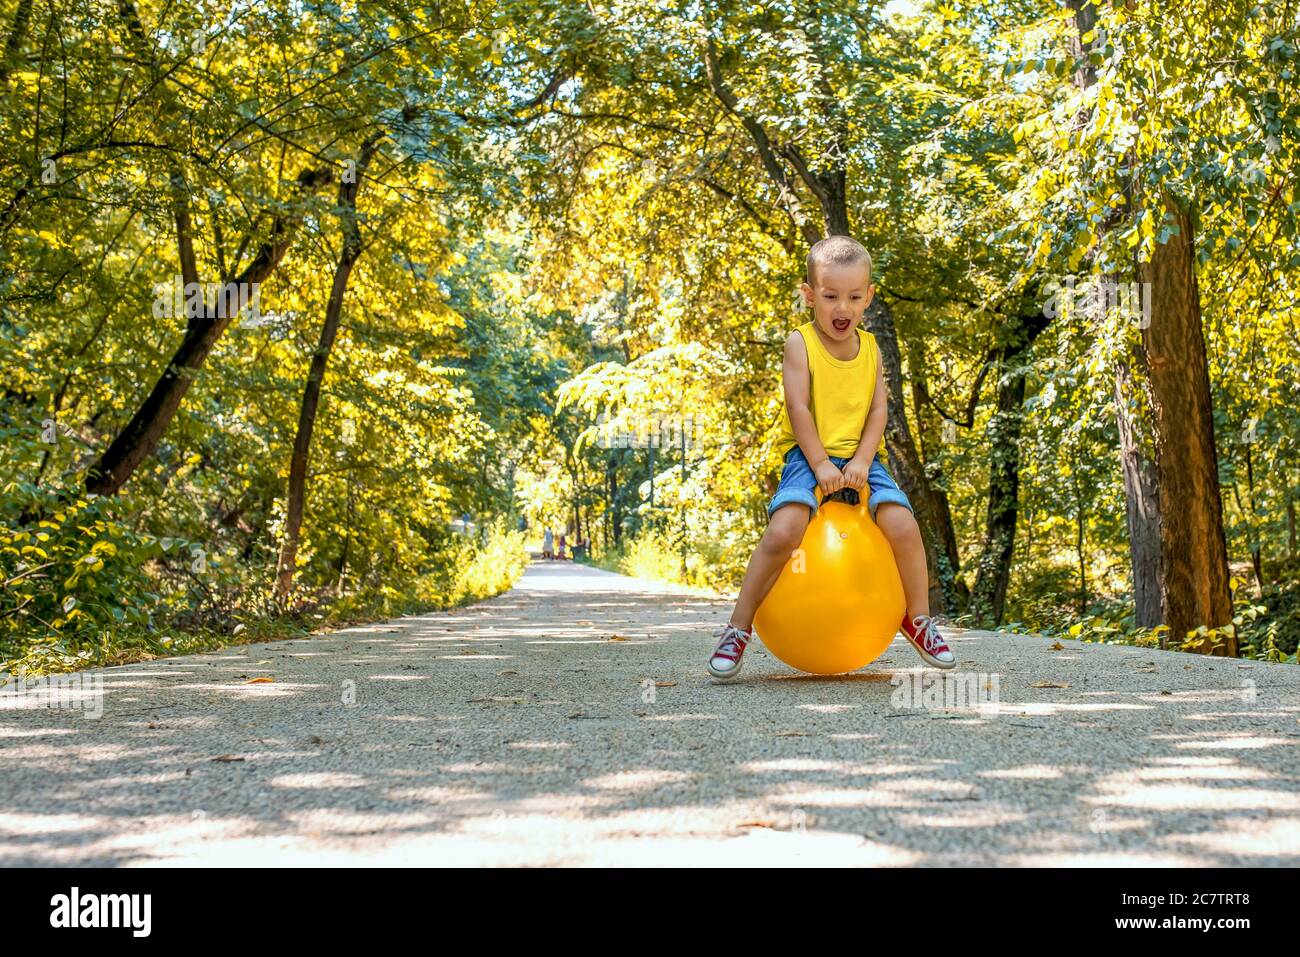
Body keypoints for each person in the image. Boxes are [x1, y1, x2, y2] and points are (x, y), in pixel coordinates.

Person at [707, 236, 956, 680]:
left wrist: (862, 461)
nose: (843, 308)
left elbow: (879, 410)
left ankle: (917, 619)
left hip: (862, 460)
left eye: (854, 297)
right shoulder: (799, 344)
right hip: (808, 455)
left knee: (903, 523)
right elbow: (798, 408)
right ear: (809, 295)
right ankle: (737, 628)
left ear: (869, 296)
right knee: (786, 529)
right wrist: (821, 464)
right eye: (830, 296)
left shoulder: (872, 349)